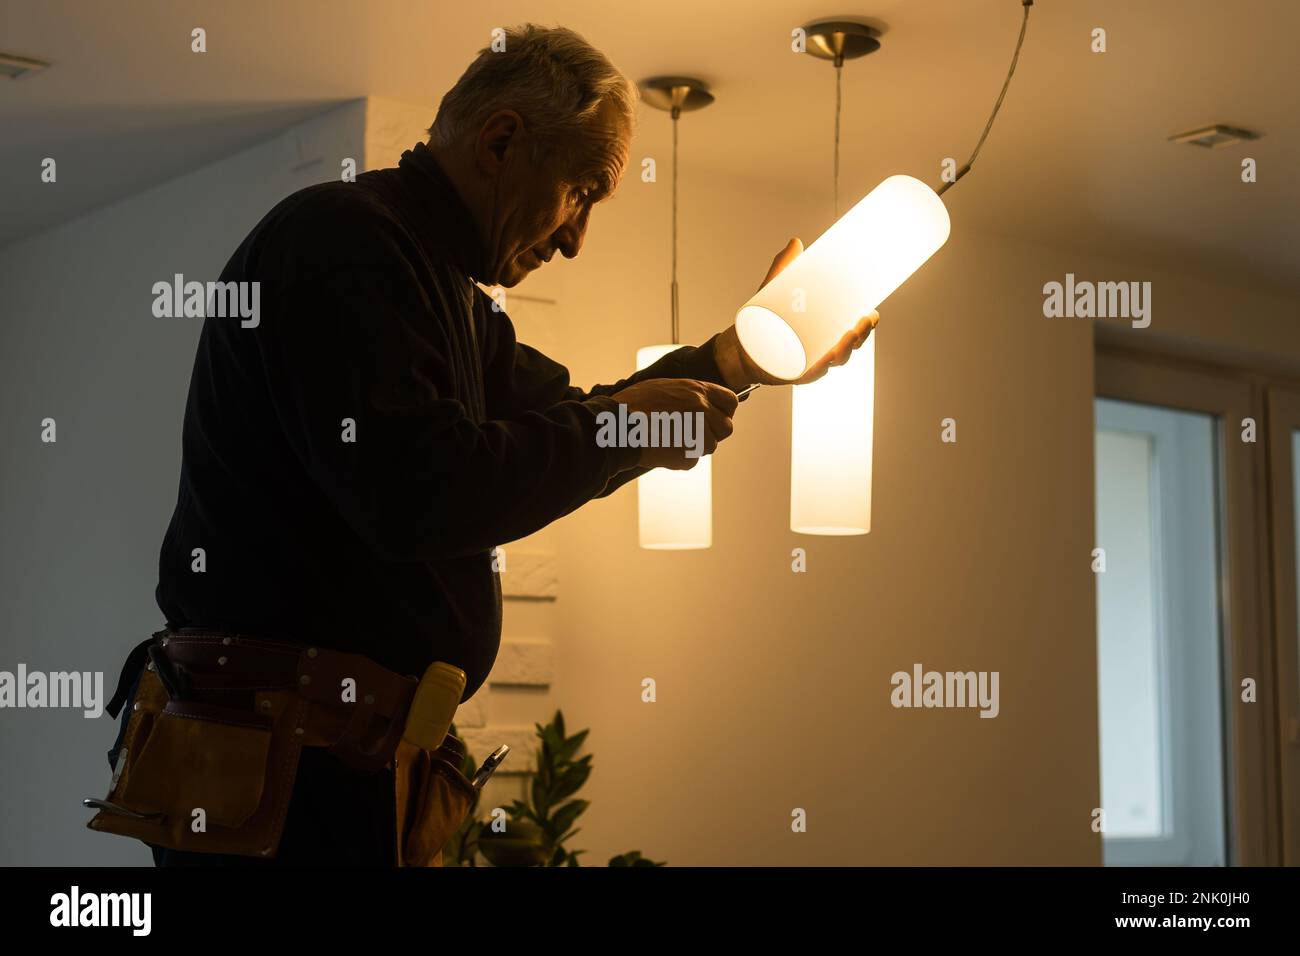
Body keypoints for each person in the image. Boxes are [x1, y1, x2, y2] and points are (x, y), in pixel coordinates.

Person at [106, 23, 874, 866]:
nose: (577, 237)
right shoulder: (345, 243)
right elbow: (419, 493)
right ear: (503, 140)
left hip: (328, 766)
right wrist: (623, 427)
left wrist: (743, 354)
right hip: (285, 771)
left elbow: (585, 418)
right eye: (583, 191)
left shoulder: (444, 293)